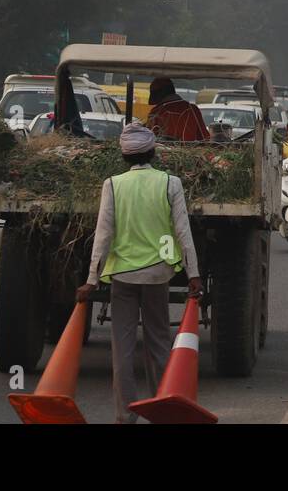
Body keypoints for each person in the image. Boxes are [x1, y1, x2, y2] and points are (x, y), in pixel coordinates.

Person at [77, 123, 201, 424]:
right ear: (154, 152)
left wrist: (91, 280)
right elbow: (183, 232)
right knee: (159, 343)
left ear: (123, 157)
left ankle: (124, 415)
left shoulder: (113, 185)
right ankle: (161, 410)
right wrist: (193, 274)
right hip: (158, 274)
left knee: (122, 347)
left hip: (123, 276)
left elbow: (103, 235)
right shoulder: (170, 183)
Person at [146, 77, 210, 142]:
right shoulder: (193, 109)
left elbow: (149, 140)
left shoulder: (157, 112)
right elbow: (204, 137)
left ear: (158, 94)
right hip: (190, 150)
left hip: (165, 151)